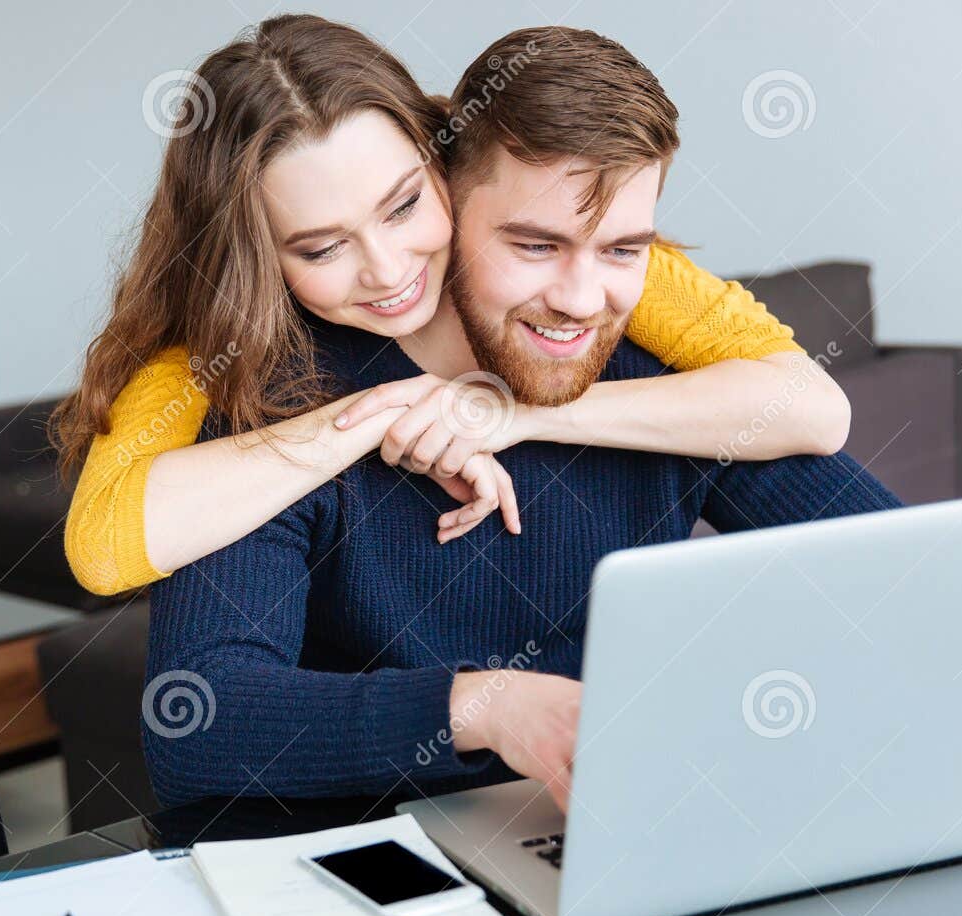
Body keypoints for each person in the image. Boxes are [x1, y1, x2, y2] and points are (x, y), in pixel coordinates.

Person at [140, 26, 901, 810]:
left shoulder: (655, 371)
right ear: (450, 197)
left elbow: (896, 576)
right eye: (535, 245)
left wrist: (526, 417)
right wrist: (488, 708)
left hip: (621, 821)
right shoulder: (279, 408)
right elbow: (195, 732)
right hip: (402, 858)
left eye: (621, 250)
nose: (580, 300)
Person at [51, 15, 852, 598]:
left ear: (440, 163)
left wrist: (513, 412)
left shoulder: (567, 250)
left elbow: (812, 408)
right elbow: (103, 547)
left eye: (404, 207)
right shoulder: (213, 342)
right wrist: (383, 412)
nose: (389, 269)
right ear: (257, 254)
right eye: (322, 248)